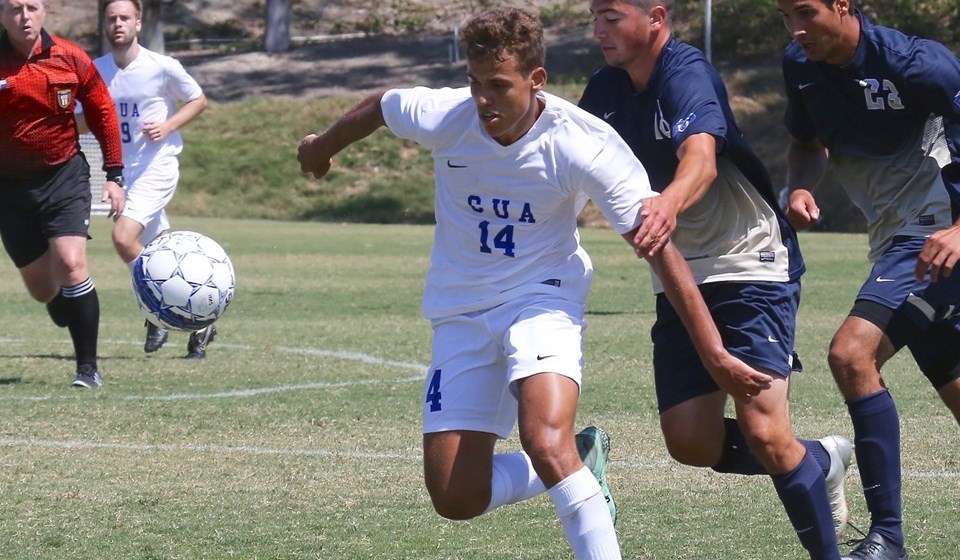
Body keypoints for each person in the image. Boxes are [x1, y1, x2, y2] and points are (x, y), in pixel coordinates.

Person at [298, 8, 777, 559]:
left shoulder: (583, 143)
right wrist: (322, 147)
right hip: (460, 310)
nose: (483, 100)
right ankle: (582, 457)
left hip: (542, 298)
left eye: (498, 86)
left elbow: (659, 249)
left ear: (537, 80)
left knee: (543, 438)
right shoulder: (446, 116)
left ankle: (573, 483)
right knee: (455, 495)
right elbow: (382, 106)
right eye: (475, 84)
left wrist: (712, 351)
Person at [579, 2, 853, 558]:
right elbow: (570, 157)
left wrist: (667, 205)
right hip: (678, 273)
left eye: (611, 17)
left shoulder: (686, 73)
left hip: (747, 261)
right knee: (689, 442)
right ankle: (820, 459)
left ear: (656, 18)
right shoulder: (604, 91)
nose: (599, 31)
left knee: (765, 432)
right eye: (594, 18)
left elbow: (700, 158)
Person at [777, 1, 960, 558]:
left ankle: (888, 537)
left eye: (806, 11)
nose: (796, 27)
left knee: (851, 355)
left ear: (842, 5)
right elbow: (806, 145)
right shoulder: (800, 64)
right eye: (785, 14)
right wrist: (798, 187)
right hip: (896, 241)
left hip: (935, 240)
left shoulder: (919, 66)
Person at [77, 0, 213, 359]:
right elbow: (77, 119)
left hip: (157, 166)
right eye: (111, 18)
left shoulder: (162, 66)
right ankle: (200, 323)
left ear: (138, 23)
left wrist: (168, 125)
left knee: (123, 238)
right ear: (104, 25)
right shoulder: (94, 71)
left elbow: (198, 100)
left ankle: (157, 306)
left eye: (125, 18)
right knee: (162, 252)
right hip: (120, 174)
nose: (118, 24)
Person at [0, 0, 125, 388]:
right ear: (1, 15)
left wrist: (115, 174)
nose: (25, 17)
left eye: (32, 7)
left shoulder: (70, 57)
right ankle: (60, 300)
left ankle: (87, 369)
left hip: (63, 178)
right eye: (14, 9)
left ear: (45, 12)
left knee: (71, 264)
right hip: (7, 187)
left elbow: (103, 110)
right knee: (42, 289)